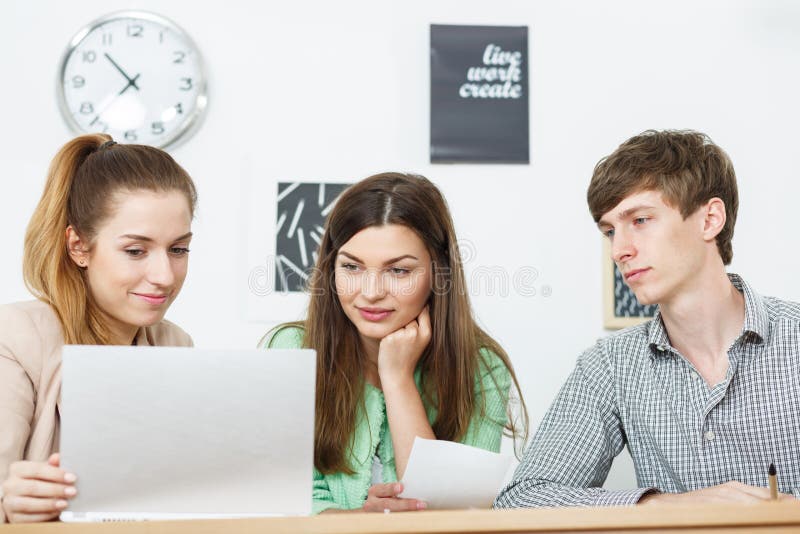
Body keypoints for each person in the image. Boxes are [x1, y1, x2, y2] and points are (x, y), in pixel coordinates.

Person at [495, 130, 800, 508]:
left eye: (640, 220)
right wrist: (665, 505)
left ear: (710, 219)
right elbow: (522, 500)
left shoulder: (795, 338)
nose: (619, 250)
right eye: (610, 231)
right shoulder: (610, 366)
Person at [261, 172, 527, 514]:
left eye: (398, 271)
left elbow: (451, 515)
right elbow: (283, 499)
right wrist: (359, 520)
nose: (371, 292)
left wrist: (398, 379)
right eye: (352, 267)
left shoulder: (482, 369)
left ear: (439, 272)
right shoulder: (291, 350)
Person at [0, 134, 198, 523]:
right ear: (78, 247)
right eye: (135, 251)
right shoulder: (16, 337)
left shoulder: (177, 345)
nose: (163, 275)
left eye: (178, 249)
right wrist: (10, 507)